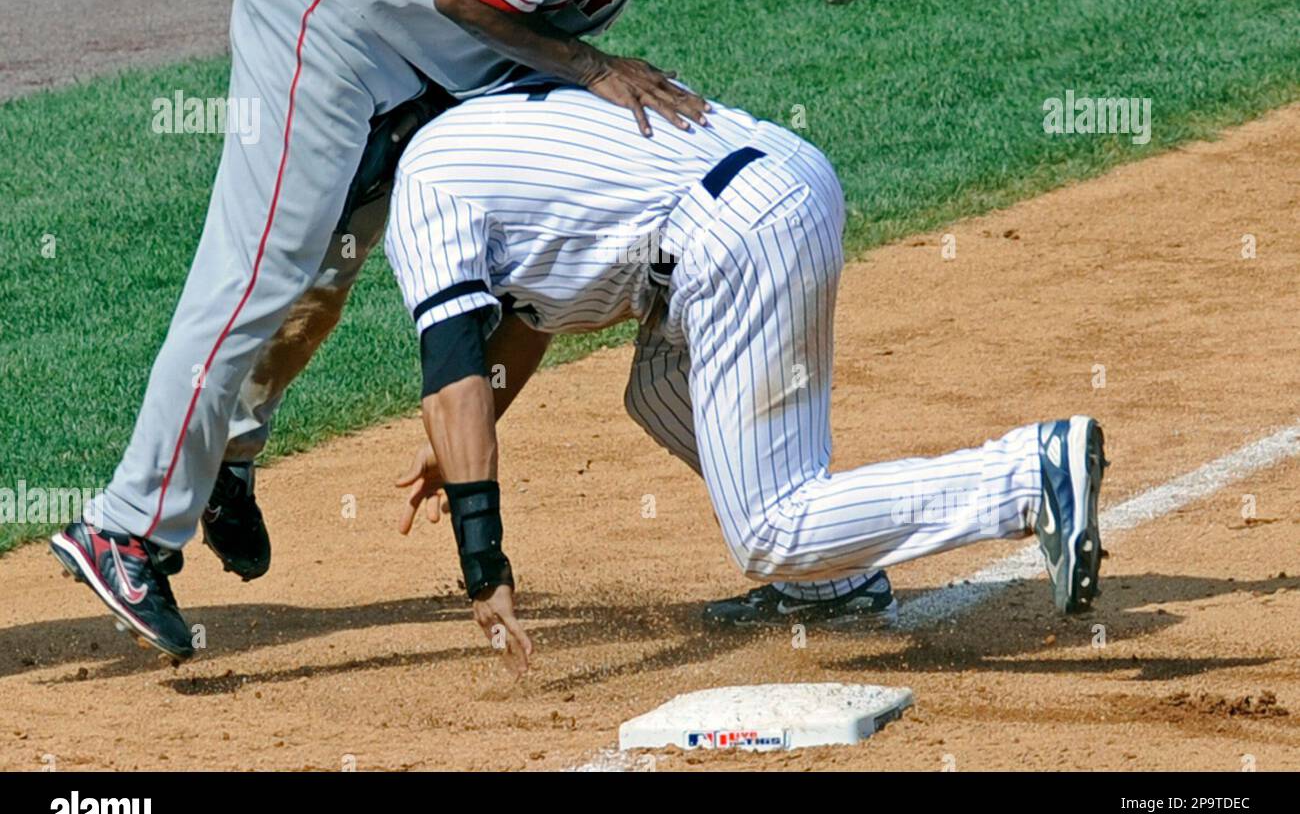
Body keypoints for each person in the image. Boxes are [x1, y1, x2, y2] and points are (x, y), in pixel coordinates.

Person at [51, 0, 820, 661]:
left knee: (319, 292)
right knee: (253, 280)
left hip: (408, 87)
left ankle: (227, 461)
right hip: (328, 32)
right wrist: (595, 70)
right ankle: (126, 529)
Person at [384, 78, 1107, 674]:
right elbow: (529, 319)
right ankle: (834, 587)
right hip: (779, 187)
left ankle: (1027, 476)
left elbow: (452, 376)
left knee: (770, 529)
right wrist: (463, 436)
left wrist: (484, 566)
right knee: (660, 391)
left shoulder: (421, 182)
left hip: (733, 240)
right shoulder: (486, 126)